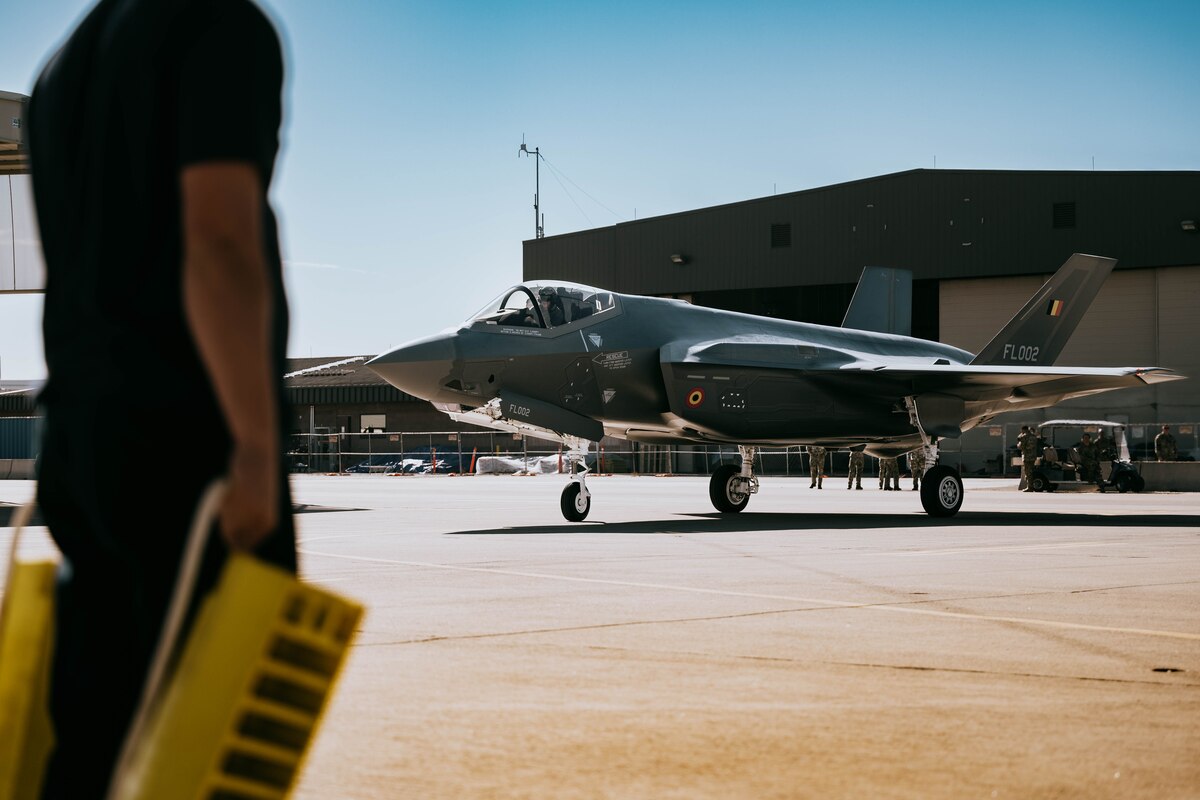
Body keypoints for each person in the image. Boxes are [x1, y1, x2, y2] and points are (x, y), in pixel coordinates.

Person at [27, 1, 297, 795]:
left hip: (83, 436)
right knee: (214, 753)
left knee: (95, 739)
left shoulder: (62, 65)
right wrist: (252, 443)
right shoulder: (220, 26)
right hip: (187, 446)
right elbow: (216, 239)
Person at [1017, 425, 1040, 491]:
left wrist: (1018, 444)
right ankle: (1031, 486)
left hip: (1027, 456)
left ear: (1023, 430)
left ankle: (1030, 487)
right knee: (1031, 471)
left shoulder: (1024, 437)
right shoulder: (1034, 436)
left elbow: (1021, 446)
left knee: (1027, 472)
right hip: (1033, 456)